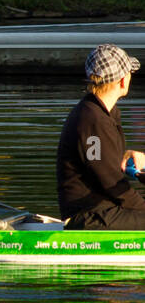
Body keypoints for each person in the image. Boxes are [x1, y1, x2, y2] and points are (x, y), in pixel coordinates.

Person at [56, 44, 145, 229]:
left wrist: (123, 155)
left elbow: (94, 159)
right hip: (89, 216)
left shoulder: (103, 113)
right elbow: (107, 177)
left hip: (103, 209)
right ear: (122, 80)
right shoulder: (92, 120)